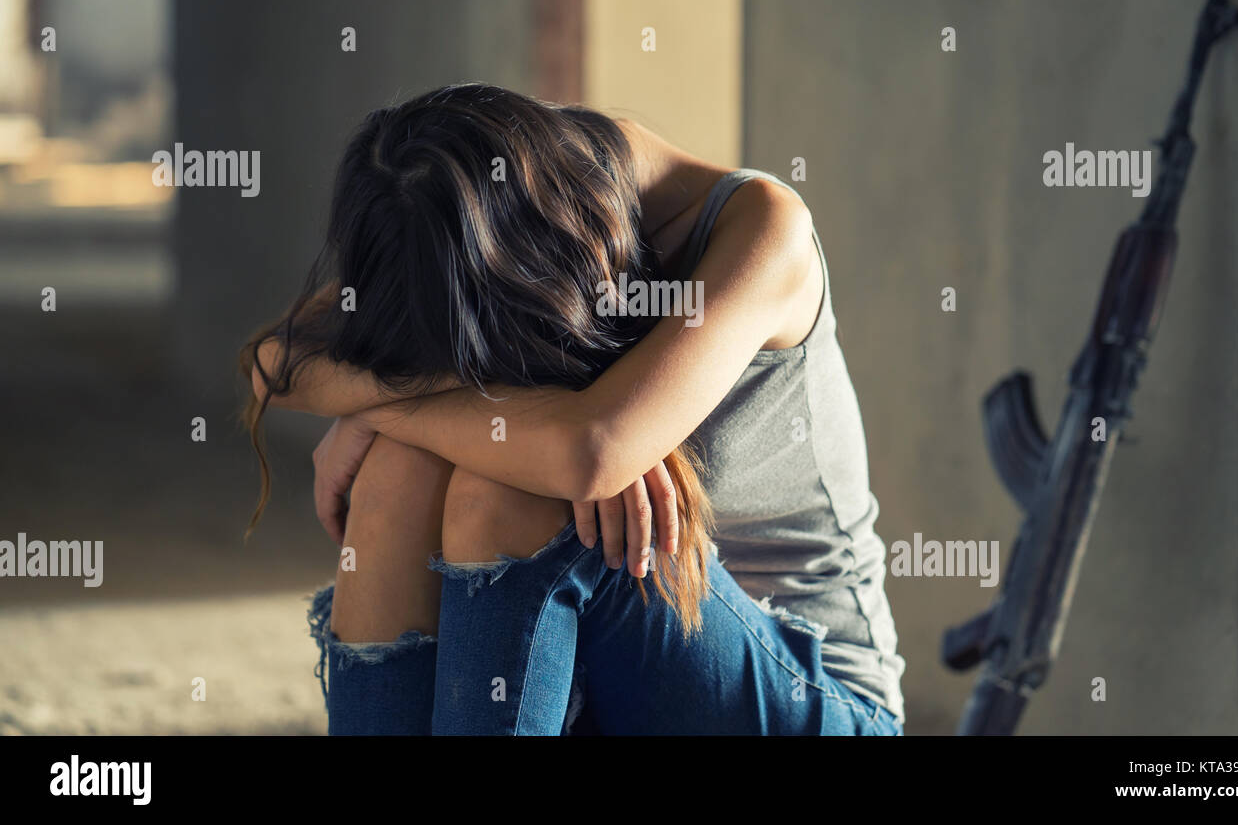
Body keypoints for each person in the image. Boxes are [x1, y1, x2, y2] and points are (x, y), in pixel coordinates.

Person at [241, 82, 904, 734]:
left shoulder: (764, 229)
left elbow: (590, 453)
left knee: (505, 491)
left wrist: (384, 407)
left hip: (818, 700)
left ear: (530, 266)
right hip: (614, 676)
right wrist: (409, 414)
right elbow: (277, 360)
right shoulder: (480, 195)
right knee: (399, 474)